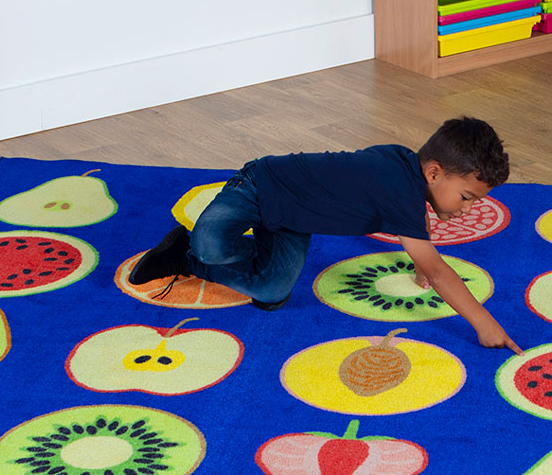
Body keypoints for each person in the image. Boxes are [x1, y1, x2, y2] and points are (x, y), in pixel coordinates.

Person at [129, 116, 522, 351]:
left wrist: (423, 254)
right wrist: (485, 324)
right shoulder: (398, 186)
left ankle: (183, 258)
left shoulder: (407, 168)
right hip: (262, 185)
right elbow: (436, 270)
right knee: (212, 242)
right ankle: (192, 248)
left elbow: (413, 222)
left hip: (294, 221)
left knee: (270, 294)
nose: (466, 209)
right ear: (433, 172)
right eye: (467, 197)